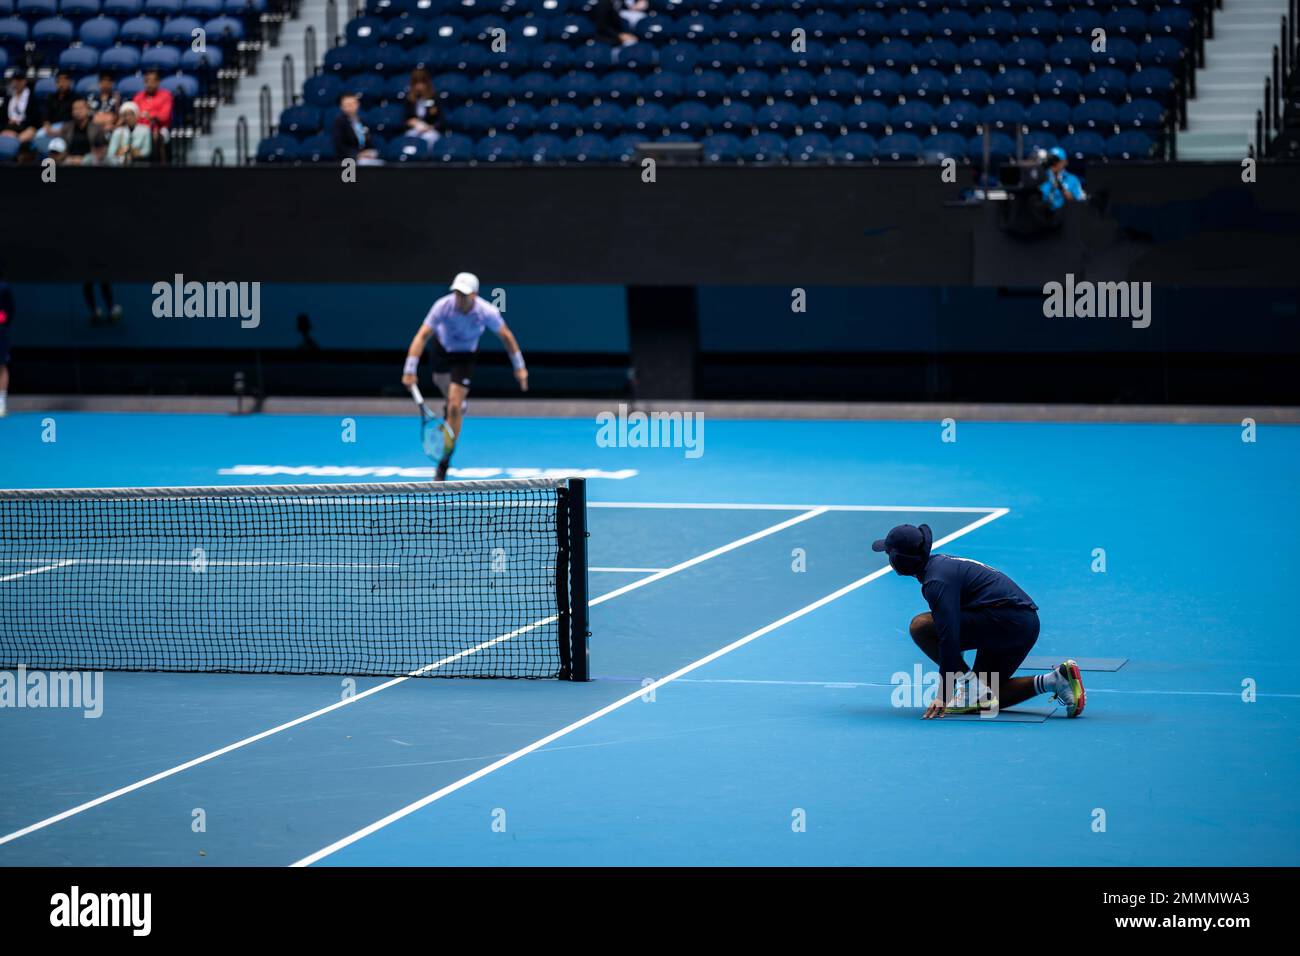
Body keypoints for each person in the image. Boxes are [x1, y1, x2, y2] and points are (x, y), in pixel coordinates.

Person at [872, 523, 1085, 719]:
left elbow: (949, 636)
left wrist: (945, 692)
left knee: (921, 626)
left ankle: (970, 685)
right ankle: (1055, 680)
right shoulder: (940, 567)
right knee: (983, 699)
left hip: (1006, 622)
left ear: (899, 561)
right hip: (1018, 624)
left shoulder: (936, 581)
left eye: (889, 554)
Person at [400, 273, 529, 481]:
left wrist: (520, 367)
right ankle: (455, 406)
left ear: (475, 295)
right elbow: (422, 335)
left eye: (464, 294)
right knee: (446, 394)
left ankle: (444, 462)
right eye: (457, 293)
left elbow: (506, 336)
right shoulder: (442, 306)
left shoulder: (486, 311)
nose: (460, 298)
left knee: (454, 406)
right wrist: (409, 369)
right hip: (441, 352)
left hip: (465, 358)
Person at [132, 68, 173, 162]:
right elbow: (134, 115)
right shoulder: (138, 97)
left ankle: (158, 167)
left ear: (158, 82)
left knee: (157, 136)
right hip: (141, 127)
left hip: (160, 127)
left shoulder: (166, 95)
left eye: (152, 81)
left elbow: (164, 117)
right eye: (146, 81)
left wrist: (151, 116)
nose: (149, 84)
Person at [34, 70, 76, 156]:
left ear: (70, 82)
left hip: (67, 127)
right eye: (59, 81)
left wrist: (63, 130)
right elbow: (45, 115)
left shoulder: (75, 98)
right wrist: (47, 126)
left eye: (64, 81)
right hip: (51, 126)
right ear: (56, 83)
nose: (62, 84)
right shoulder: (50, 97)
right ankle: (42, 162)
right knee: (39, 135)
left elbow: (75, 118)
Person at [331, 92, 379, 162]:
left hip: (364, 156)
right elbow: (339, 145)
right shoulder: (339, 122)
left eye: (353, 103)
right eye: (347, 105)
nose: (351, 107)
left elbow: (367, 140)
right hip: (348, 158)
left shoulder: (362, 121)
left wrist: (369, 152)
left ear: (358, 104)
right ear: (342, 107)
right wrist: (357, 154)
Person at [60, 98, 108, 166]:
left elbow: (103, 147)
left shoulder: (97, 128)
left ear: (88, 110)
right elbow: (60, 147)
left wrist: (84, 159)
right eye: (75, 109)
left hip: (90, 161)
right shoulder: (66, 127)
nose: (78, 111)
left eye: (81, 108)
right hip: (69, 160)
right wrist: (69, 158)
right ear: (72, 112)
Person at [2, 75, 41, 154]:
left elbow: (35, 119)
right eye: (15, 81)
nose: (17, 83)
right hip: (9, 127)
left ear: (24, 82)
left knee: (31, 131)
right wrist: (6, 128)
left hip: (25, 127)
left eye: (19, 81)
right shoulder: (8, 97)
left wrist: (19, 123)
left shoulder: (32, 98)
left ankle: (15, 150)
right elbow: (2, 116)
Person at [1039, 146, 1086, 212]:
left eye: (1057, 161)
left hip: (1066, 216)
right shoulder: (1041, 178)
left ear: (1065, 162)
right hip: (1044, 215)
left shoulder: (1072, 179)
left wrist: (1062, 188)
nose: (1054, 164)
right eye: (1052, 161)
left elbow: (1080, 201)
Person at [404, 69, 443, 146]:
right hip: (415, 130)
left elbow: (441, 121)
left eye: (422, 83)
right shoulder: (409, 99)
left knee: (429, 138)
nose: (419, 86)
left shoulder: (435, 98)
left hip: (430, 131)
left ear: (427, 84)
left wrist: (430, 127)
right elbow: (404, 119)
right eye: (416, 83)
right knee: (408, 138)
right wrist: (411, 122)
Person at [0, 264, 13, 418]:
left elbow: (9, 312)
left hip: (0, 332)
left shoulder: (4, 288)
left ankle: (1, 403)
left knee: (1, 365)